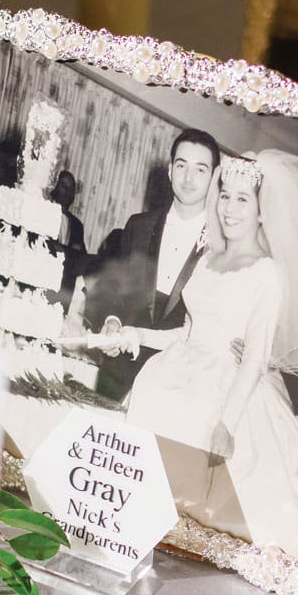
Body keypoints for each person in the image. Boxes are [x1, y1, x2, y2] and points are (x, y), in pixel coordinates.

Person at [112, 151, 298, 561]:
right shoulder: (209, 256)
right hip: (182, 364)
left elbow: (254, 357)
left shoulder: (267, 273)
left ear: (262, 210)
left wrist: (227, 425)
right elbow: (189, 332)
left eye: (242, 200)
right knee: (151, 397)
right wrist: (136, 333)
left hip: (230, 385)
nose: (229, 209)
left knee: (190, 423)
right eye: (225, 197)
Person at [83, 128, 221, 399]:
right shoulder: (138, 225)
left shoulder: (221, 244)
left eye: (200, 169)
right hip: (120, 367)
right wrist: (111, 321)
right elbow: (111, 291)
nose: (188, 178)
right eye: (181, 166)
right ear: (170, 171)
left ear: (214, 177)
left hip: (179, 379)